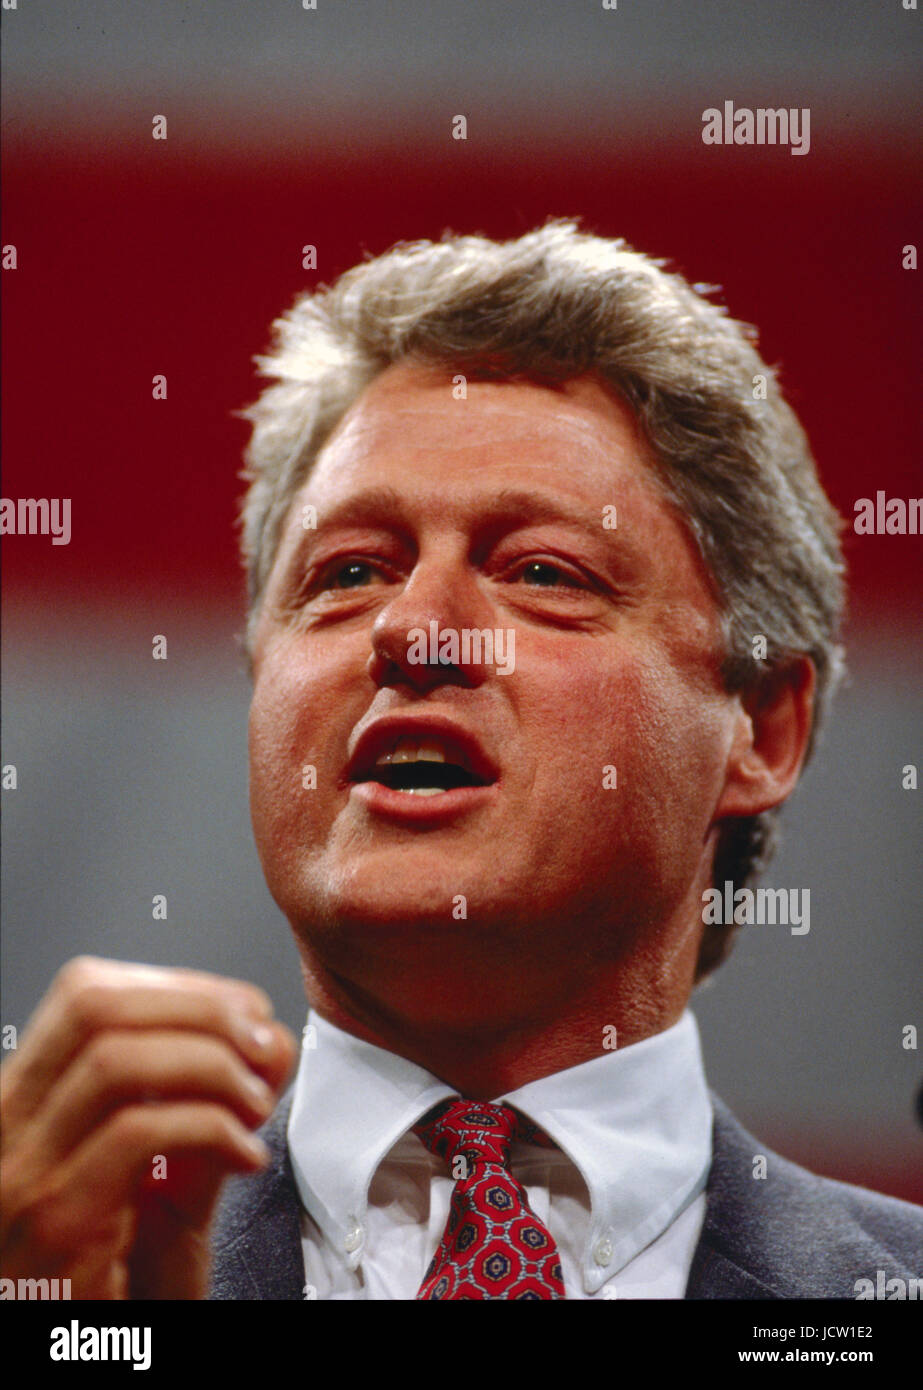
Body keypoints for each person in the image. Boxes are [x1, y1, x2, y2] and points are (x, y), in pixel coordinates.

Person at [2, 223, 919, 1301]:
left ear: (758, 726)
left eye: (541, 571)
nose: (412, 629)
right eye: (349, 572)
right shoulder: (55, 1275)